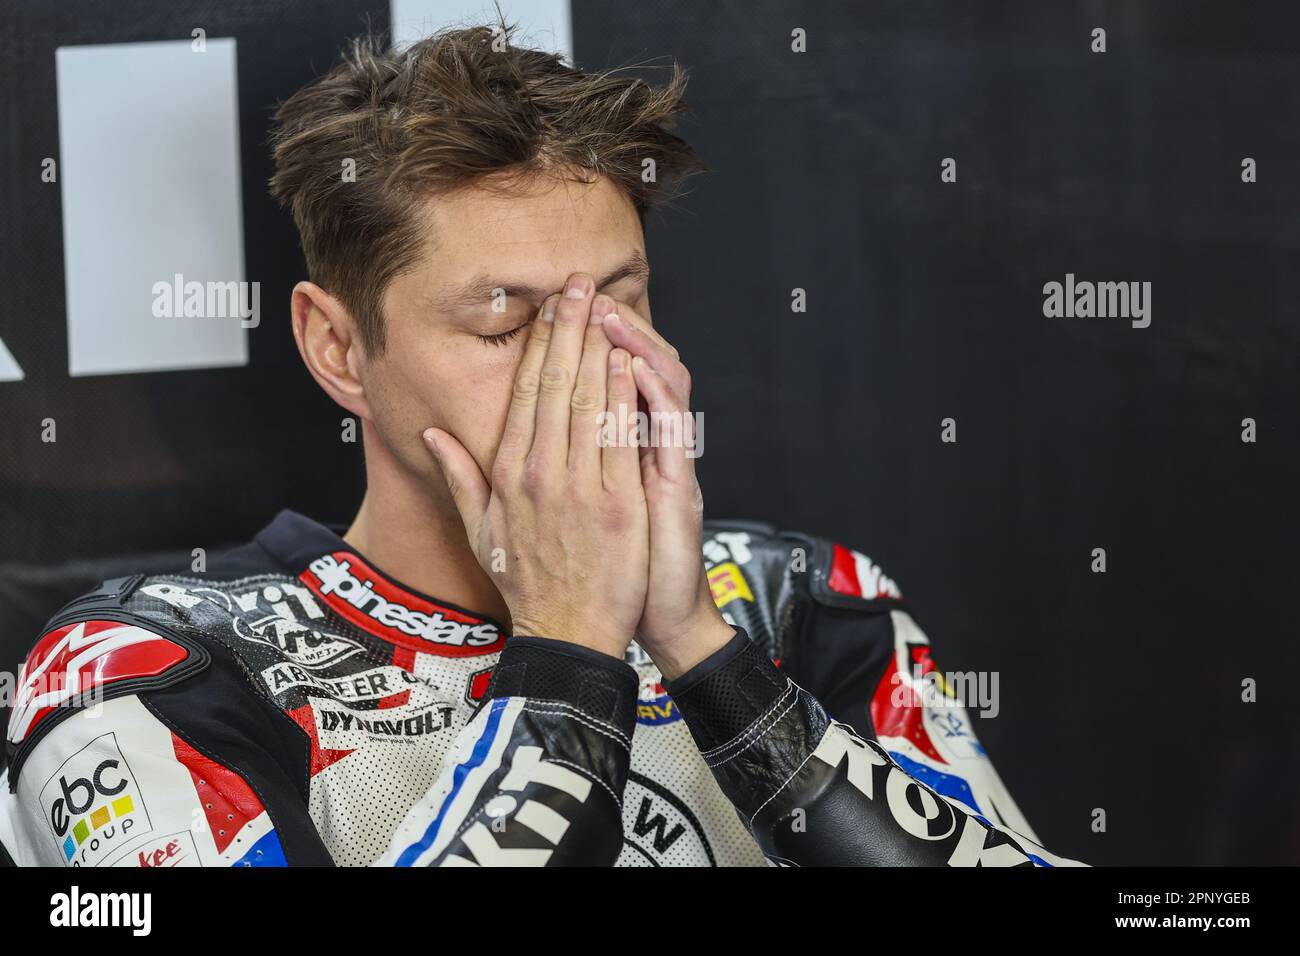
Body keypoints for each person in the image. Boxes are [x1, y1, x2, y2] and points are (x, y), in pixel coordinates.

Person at [0, 24, 1080, 867]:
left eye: (619, 300)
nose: (585, 363)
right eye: (505, 323)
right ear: (337, 348)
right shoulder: (150, 670)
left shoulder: (808, 601)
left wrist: (700, 648)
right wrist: (566, 649)